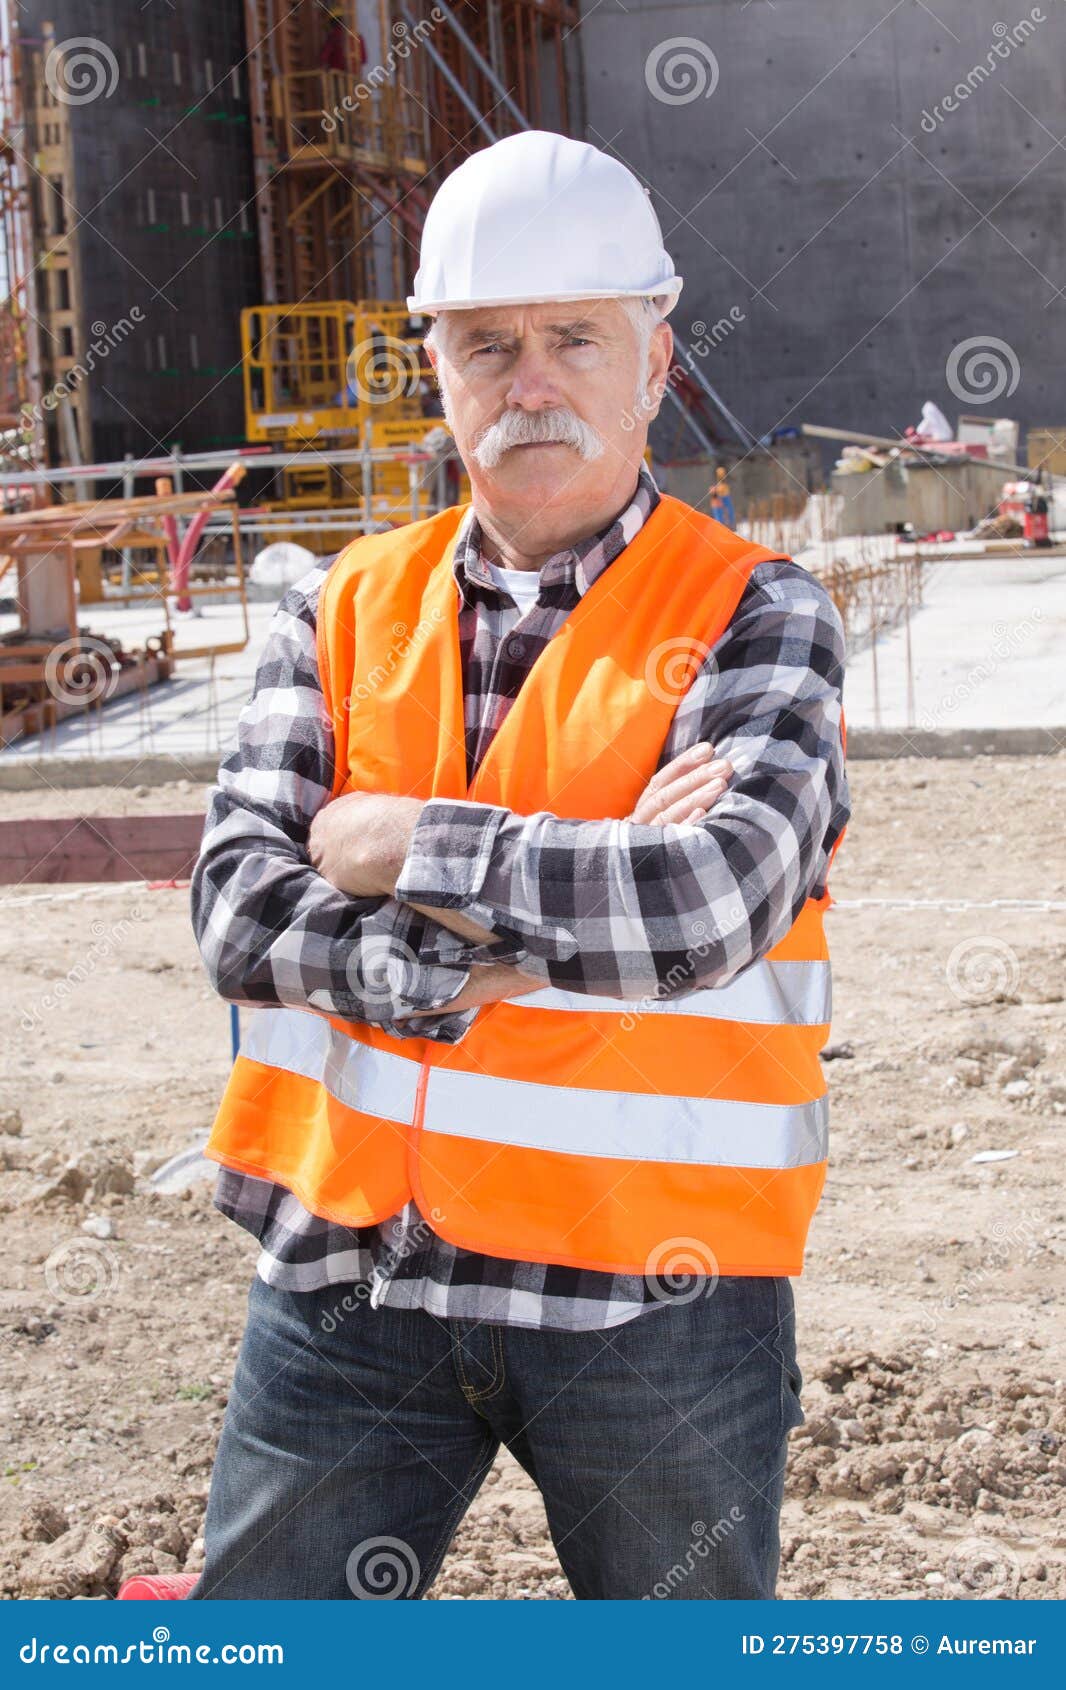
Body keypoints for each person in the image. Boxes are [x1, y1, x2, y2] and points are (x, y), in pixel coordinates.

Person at [184, 131, 850, 1602]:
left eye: (571, 338)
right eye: (486, 343)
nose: (527, 379)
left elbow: (704, 904)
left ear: (654, 359)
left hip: (652, 1295)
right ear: (436, 367)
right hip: (350, 1276)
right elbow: (235, 907)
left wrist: (384, 841)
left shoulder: (754, 615)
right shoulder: (343, 606)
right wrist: (496, 927)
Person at [710, 464, 735, 528]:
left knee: (728, 516)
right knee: (720, 519)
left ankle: (730, 526)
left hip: (724, 499)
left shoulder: (725, 484)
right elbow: (713, 494)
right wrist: (715, 493)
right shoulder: (715, 484)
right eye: (720, 474)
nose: (722, 476)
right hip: (717, 503)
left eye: (723, 474)